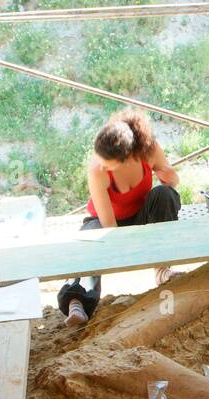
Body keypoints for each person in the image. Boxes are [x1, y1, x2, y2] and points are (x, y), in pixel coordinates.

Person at [57, 108, 182, 327]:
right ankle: (77, 299)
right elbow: (109, 226)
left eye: (107, 162)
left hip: (143, 214)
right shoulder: (97, 171)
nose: (101, 164)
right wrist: (126, 253)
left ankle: (163, 269)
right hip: (109, 223)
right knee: (89, 238)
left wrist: (171, 177)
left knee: (165, 194)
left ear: (127, 157)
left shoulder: (148, 149)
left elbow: (170, 181)